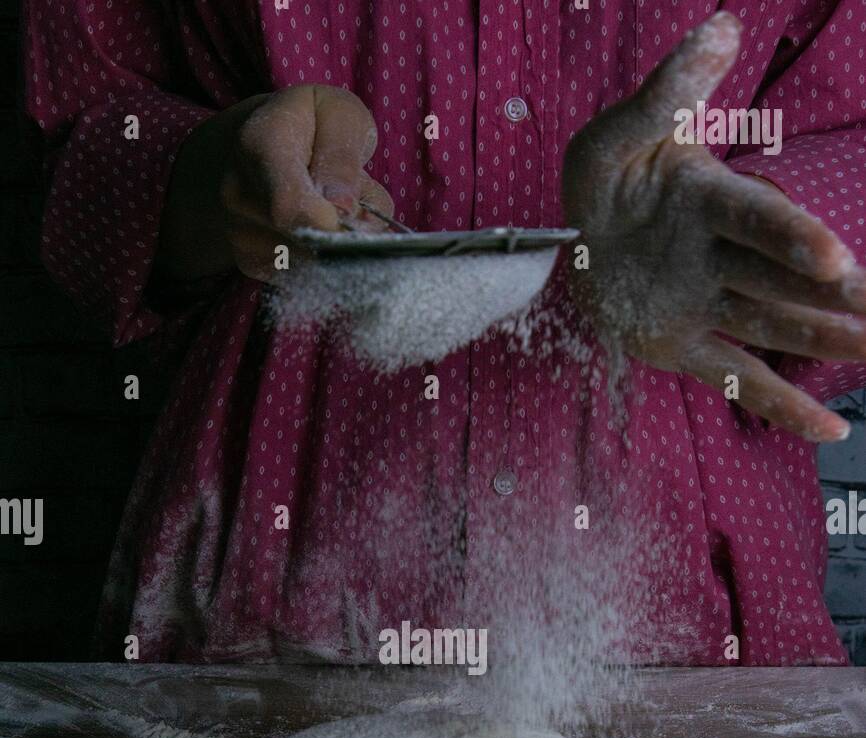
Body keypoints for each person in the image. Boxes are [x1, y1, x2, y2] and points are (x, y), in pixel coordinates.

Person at [25, 2, 866, 665]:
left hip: (691, 570)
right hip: (273, 562)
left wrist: (737, 237)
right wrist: (222, 177)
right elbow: (84, 136)